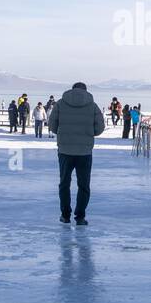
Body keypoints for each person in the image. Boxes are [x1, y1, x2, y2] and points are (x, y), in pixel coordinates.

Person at [46, 81, 105, 225]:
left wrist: (64, 133)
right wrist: (88, 133)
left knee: (64, 183)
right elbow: (100, 128)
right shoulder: (93, 106)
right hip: (84, 152)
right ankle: (80, 217)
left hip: (65, 150)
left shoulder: (60, 104)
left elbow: (52, 126)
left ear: (72, 90)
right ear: (85, 91)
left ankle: (65, 215)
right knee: (83, 185)